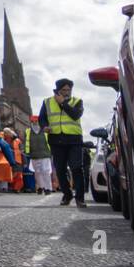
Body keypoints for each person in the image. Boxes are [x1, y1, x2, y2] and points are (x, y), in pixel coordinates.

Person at [40, 79, 86, 207]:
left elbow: (76, 115)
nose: (67, 93)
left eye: (69, 90)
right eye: (64, 90)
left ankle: (80, 198)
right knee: (60, 170)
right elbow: (42, 118)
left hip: (74, 140)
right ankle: (67, 194)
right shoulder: (47, 102)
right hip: (56, 140)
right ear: (57, 90)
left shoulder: (77, 101)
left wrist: (63, 103)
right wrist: (44, 127)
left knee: (77, 168)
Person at [24, 115, 53, 194]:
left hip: (45, 154)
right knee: (37, 172)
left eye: (36, 121)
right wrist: (26, 152)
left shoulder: (44, 130)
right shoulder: (28, 131)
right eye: (33, 121)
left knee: (45, 171)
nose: (34, 123)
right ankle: (41, 187)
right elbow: (26, 142)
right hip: (34, 155)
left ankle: (48, 188)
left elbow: (50, 141)